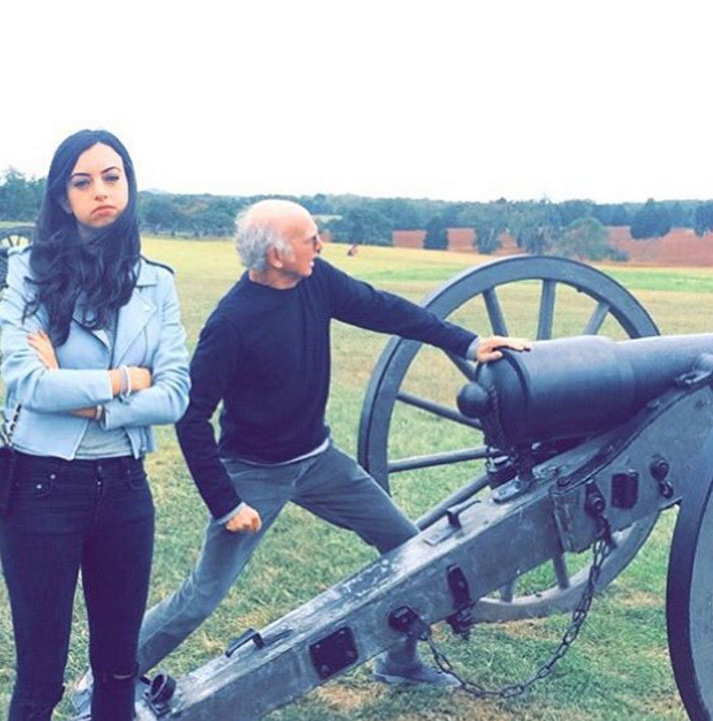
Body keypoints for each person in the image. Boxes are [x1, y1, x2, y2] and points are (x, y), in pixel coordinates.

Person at [120, 198, 529, 691]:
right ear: (275, 255)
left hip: (320, 461)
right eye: (309, 238)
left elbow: (383, 308)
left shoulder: (315, 279)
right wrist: (227, 504)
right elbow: (191, 418)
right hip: (254, 473)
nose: (321, 244)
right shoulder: (231, 324)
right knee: (204, 593)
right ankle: (112, 673)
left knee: (408, 548)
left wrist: (465, 341)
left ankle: (399, 663)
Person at [0, 129, 190, 721]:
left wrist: (86, 397)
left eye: (112, 177)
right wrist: (129, 379)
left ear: (128, 185)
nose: (100, 191)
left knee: (118, 672)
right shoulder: (29, 271)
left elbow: (176, 394)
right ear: (62, 197)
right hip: (42, 489)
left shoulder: (158, 281)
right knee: (40, 679)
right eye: (82, 182)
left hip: (126, 490)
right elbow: (27, 384)